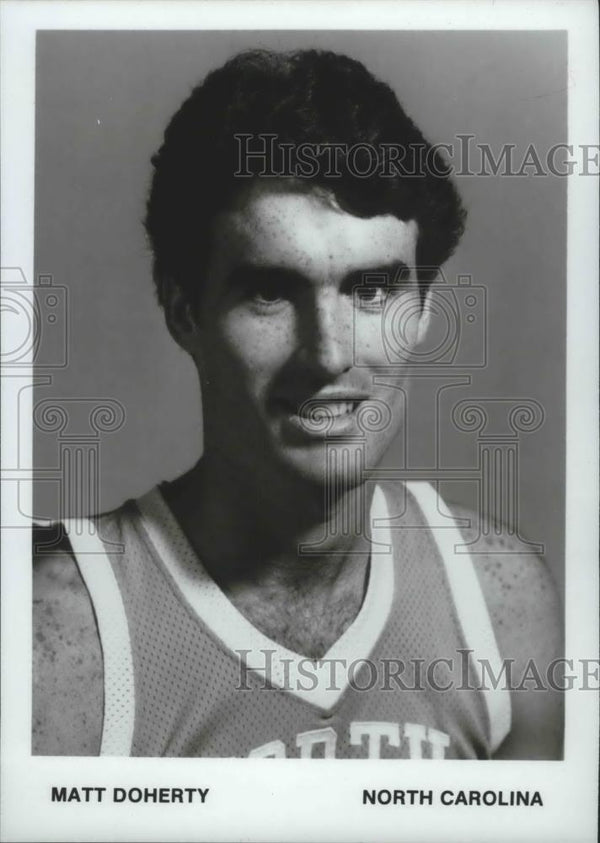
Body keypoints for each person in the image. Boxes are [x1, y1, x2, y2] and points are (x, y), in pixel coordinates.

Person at [32, 48, 563, 759]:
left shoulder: (501, 602)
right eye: (270, 292)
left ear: (426, 305)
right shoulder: (56, 631)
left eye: (372, 289)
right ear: (183, 310)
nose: (329, 353)